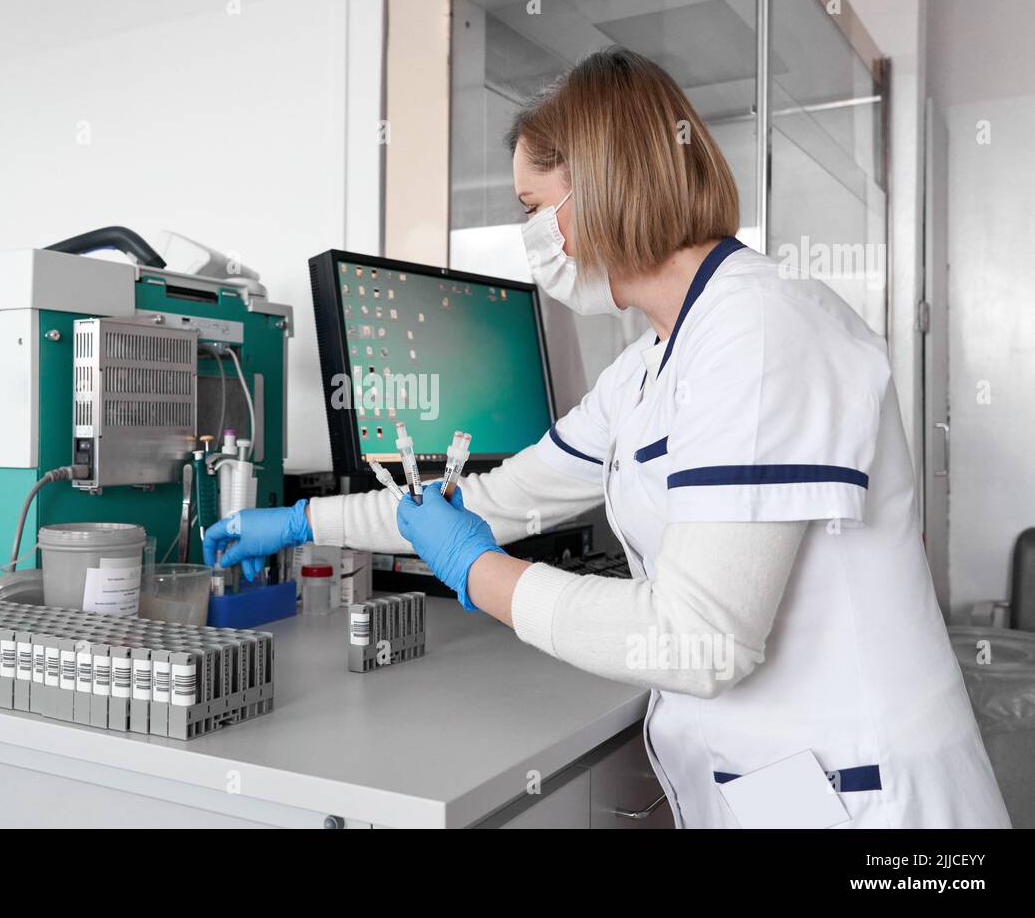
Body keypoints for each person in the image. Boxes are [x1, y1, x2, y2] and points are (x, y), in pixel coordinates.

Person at [204, 47, 1009, 828]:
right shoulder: (649, 365)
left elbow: (701, 640)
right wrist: (303, 523)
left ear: (605, 181)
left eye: (531, 206)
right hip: (773, 780)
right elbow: (490, 497)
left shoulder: (762, 331)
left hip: (864, 795)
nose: (530, 237)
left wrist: (481, 573)